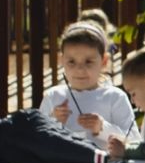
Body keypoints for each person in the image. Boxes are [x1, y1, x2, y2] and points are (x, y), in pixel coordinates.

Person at [37, 22, 135, 151]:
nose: (79, 69)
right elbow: (37, 140)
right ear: (62, 60)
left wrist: (102, 127)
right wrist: (53, 121)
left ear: (104, 61)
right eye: (71, 62)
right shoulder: (53, 96)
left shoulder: (115, 97)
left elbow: (134, 141)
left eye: (88, 62)